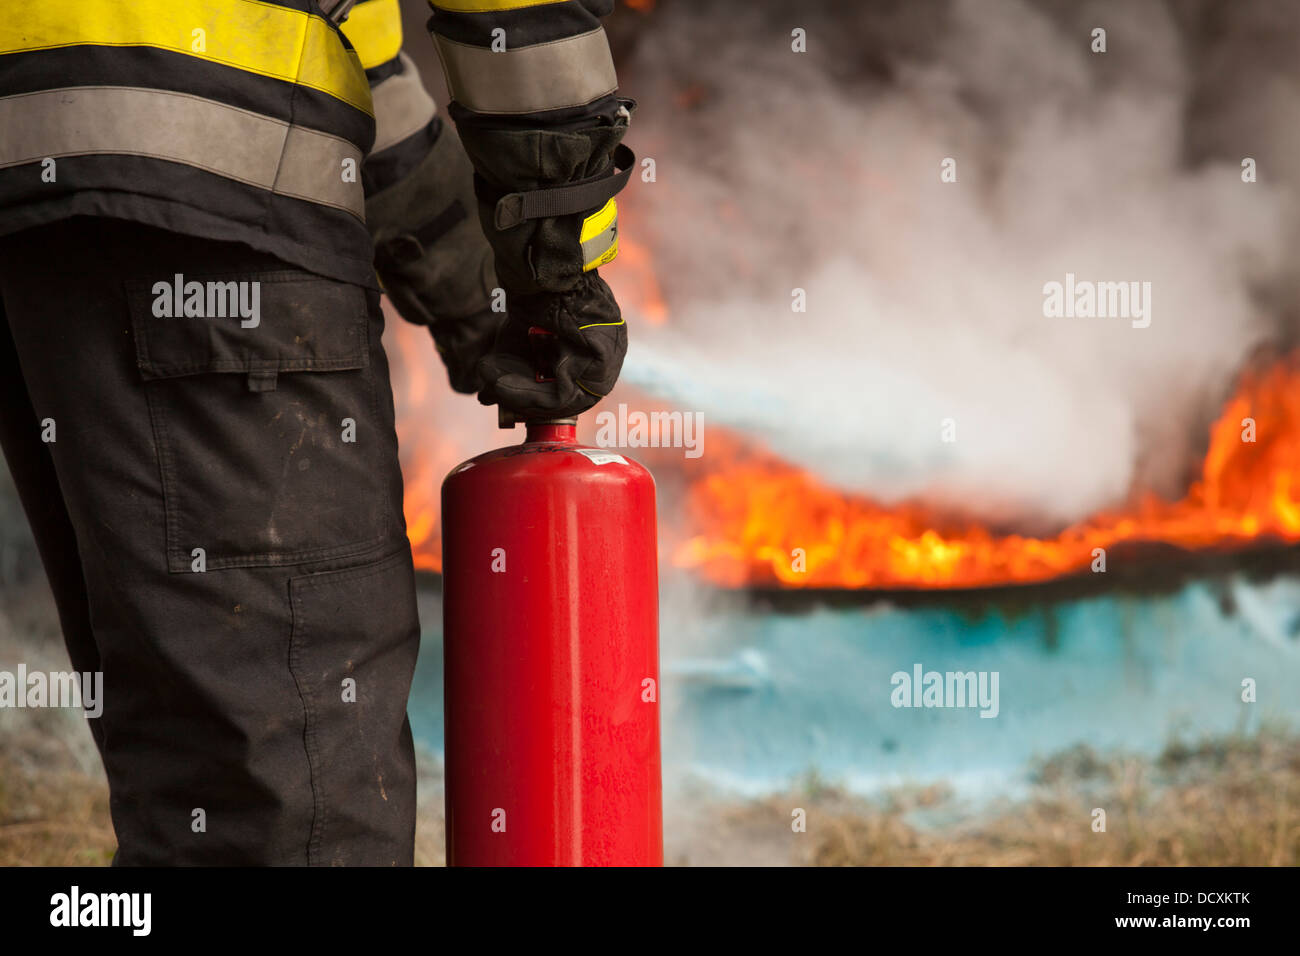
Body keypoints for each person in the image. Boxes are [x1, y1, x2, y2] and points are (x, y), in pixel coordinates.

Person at [0, 0, 633, 865]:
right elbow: (515, 23)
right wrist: (561, 261)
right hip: (214, 216)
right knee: (296, 802)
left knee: (203, 766)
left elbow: (340, 44)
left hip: (51, 188)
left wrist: (472, 282)